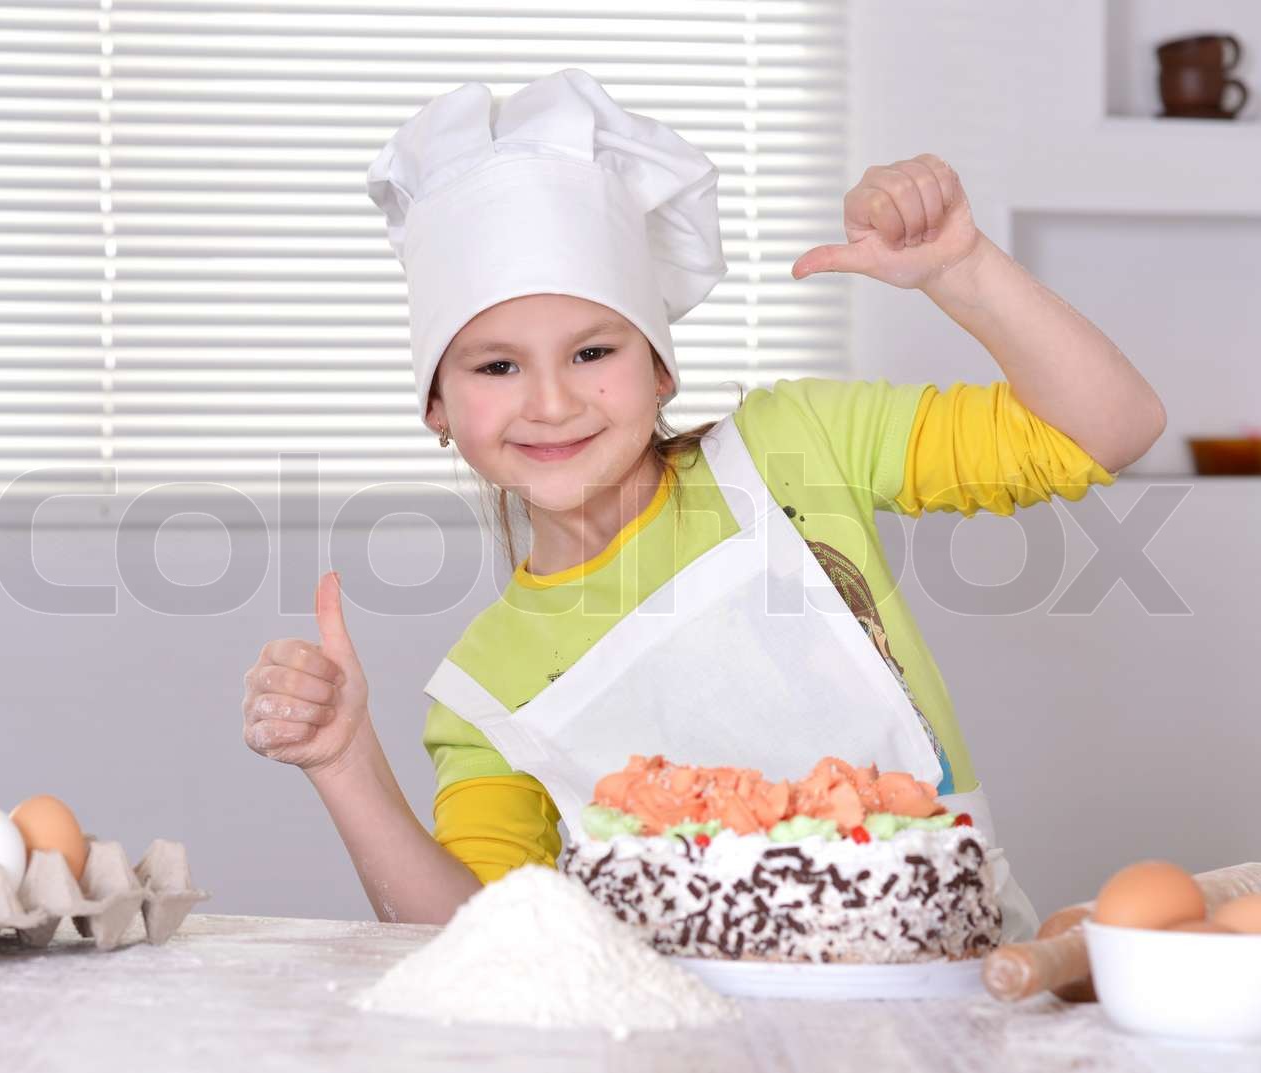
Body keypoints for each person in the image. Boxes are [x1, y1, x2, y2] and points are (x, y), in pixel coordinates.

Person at [240, 69, 1166, 933]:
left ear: (661, 368)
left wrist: (962, 270)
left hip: (953, 993)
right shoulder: (487, 685)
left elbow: (1113, 427)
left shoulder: (794, 446)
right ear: (438, 408)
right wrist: (346, 763)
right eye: (496, 366)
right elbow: (479, 941)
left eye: (593, 352)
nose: (552, 402)